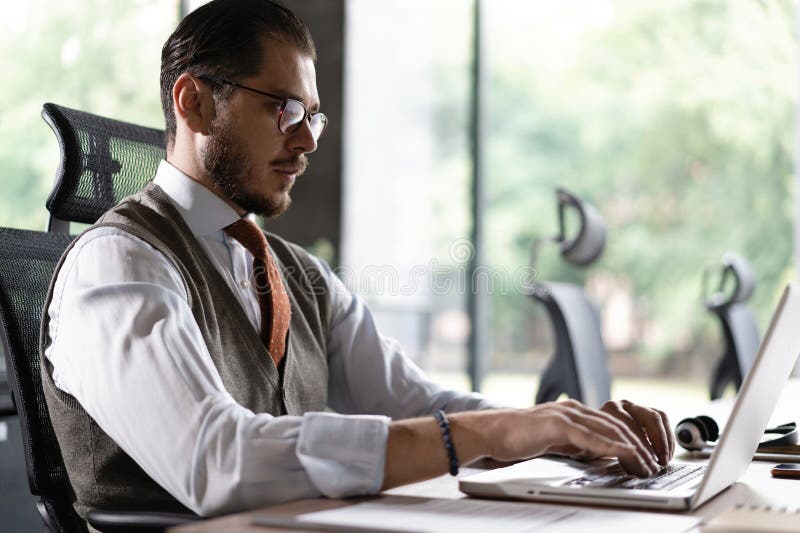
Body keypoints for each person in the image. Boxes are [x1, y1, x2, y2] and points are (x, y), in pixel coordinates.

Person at [40, 0, 674, 521]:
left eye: (314, 115)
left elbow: (417, 402)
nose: (310, 140)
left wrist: (555, 428)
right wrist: (483, 436)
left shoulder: (300, 277)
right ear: (195, 102)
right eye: (284, 108)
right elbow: (216, 461)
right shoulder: (119, 265)